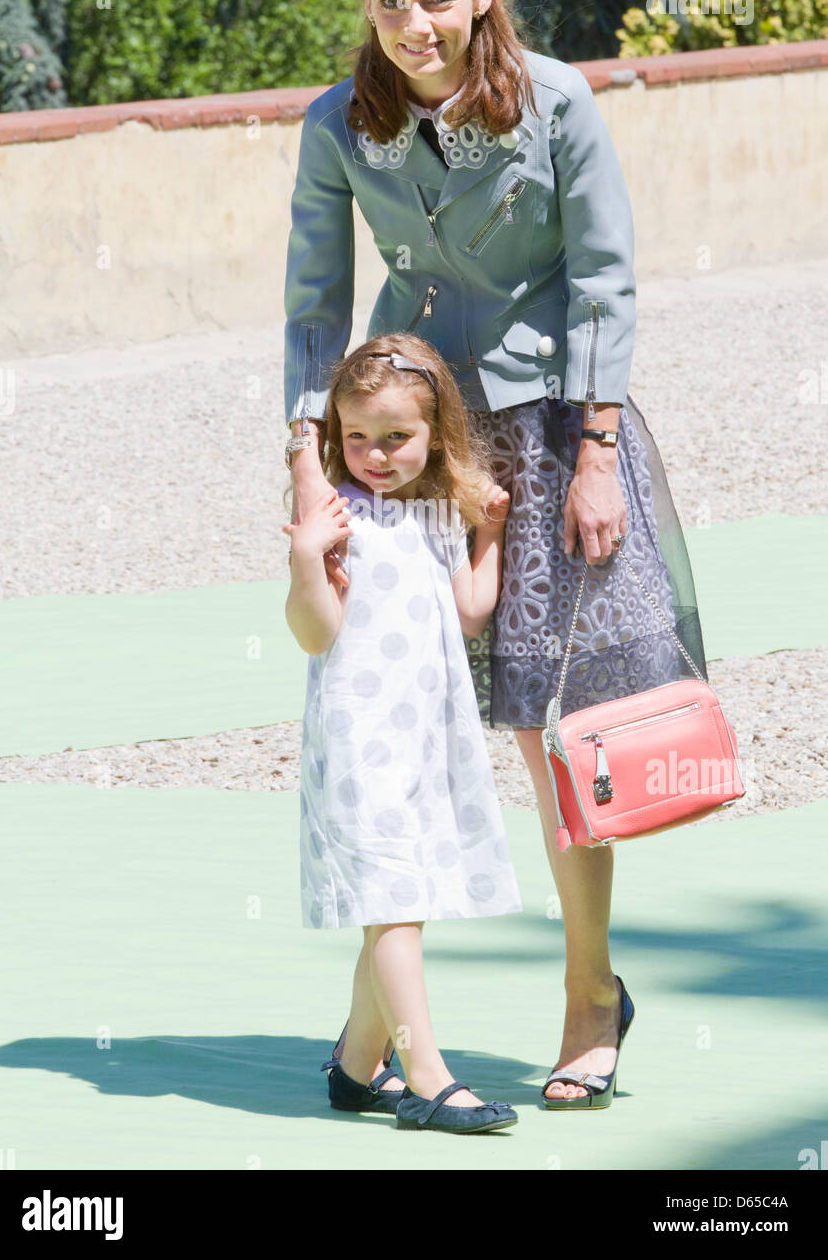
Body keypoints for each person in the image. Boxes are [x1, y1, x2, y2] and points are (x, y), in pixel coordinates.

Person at [283, 0, 707, 1108]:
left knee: (549, 732)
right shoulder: (332, 126)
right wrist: (311, 470)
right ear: (367, 8)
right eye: (387, 3)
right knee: (394, 726)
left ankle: (588, 994)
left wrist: (590, 450)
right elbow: (313, 308)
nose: (413, 25)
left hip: (546, 432)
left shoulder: (559, 102)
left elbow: (604, 278)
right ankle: (372, 1044)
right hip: (403, 447)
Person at [283, 332, 523, 1135]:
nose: (375, 455)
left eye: (396, 438)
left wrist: (487, 532)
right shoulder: (333, 512)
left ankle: (356, 1069)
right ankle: (427, 1075)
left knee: (400, 899)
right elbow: (314, 634)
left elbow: (466, 611)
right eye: (357, 438)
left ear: (435, 433)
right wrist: (307, 565)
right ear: (335, 435)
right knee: (394, 904)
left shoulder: (429, 510)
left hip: (423, 736)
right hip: (359, 740)